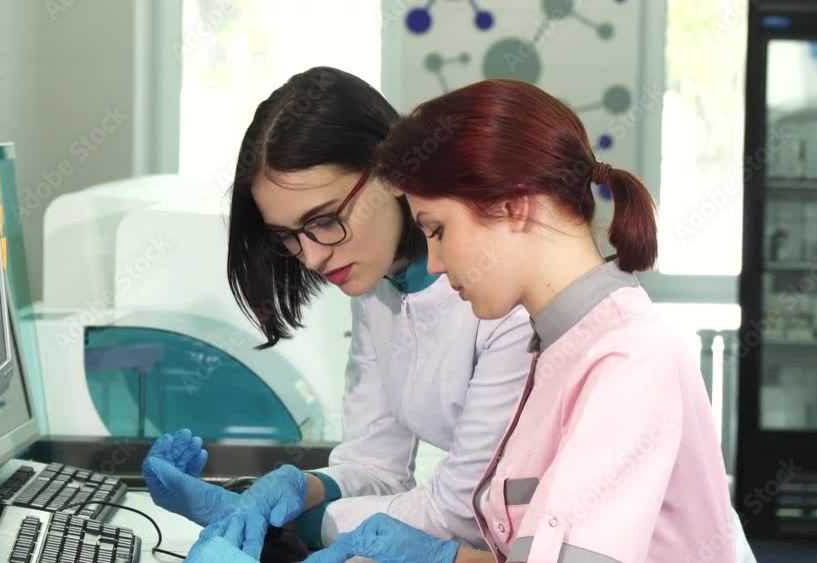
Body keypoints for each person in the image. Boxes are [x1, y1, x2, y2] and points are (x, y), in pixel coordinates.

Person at [297, 79, 745, 563]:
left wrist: (438, 558)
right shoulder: (553, 345)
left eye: (438, 231)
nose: (436, 263)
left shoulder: (629, 358)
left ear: (513, 205)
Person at [141, 66, 535, 558]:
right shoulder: (378, 288)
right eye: (287, 236)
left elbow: (460, 512)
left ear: (391, 172)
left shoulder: (504, 301)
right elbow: (376, 465)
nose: (311, 256)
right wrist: (293, 488)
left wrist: (294, 526)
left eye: (324, 221)